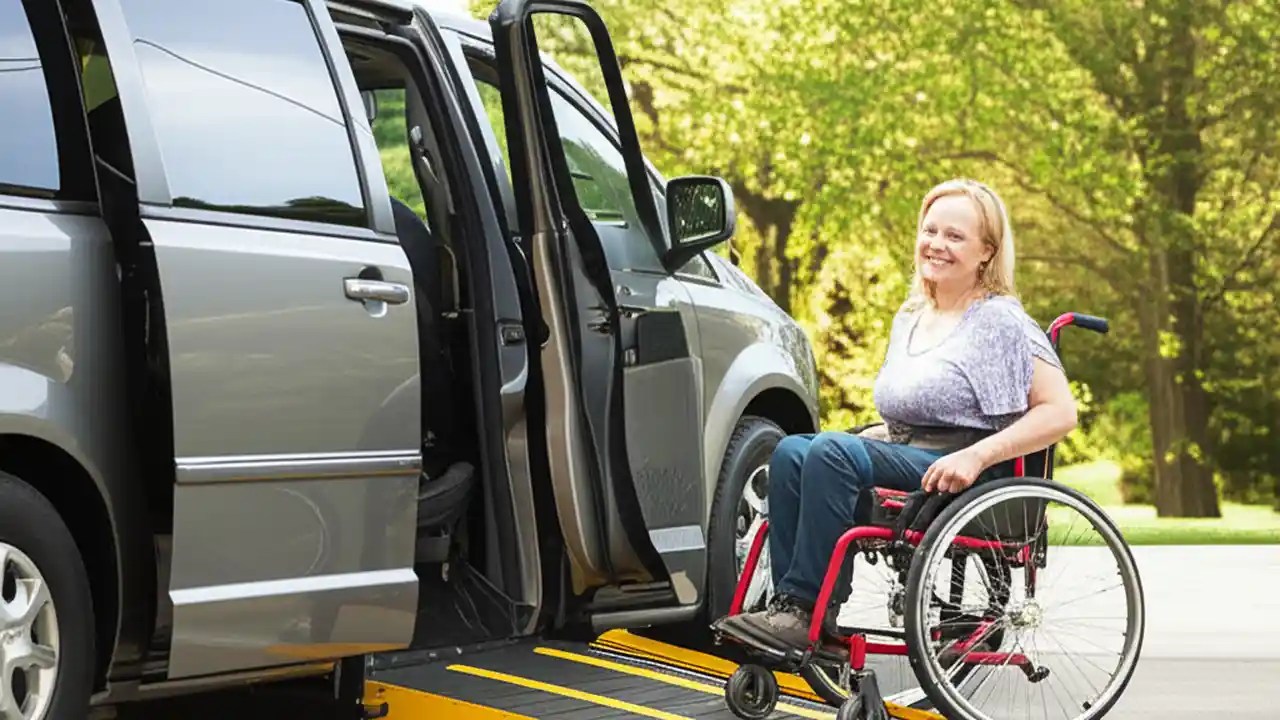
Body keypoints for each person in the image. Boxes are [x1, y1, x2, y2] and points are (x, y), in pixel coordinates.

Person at [724, 178, 1079, 651]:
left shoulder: (999, 321)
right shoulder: (911, 317)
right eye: (930, 231)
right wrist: (880, 434)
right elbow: (910, 415)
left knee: (831, 451)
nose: (936, 244)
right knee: (792, 451)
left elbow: (1060, 412)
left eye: (955, 236)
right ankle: (795, 610)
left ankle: (806, 608)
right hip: (910, 452)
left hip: (965, 468)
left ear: (987, 253)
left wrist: (976, 456)